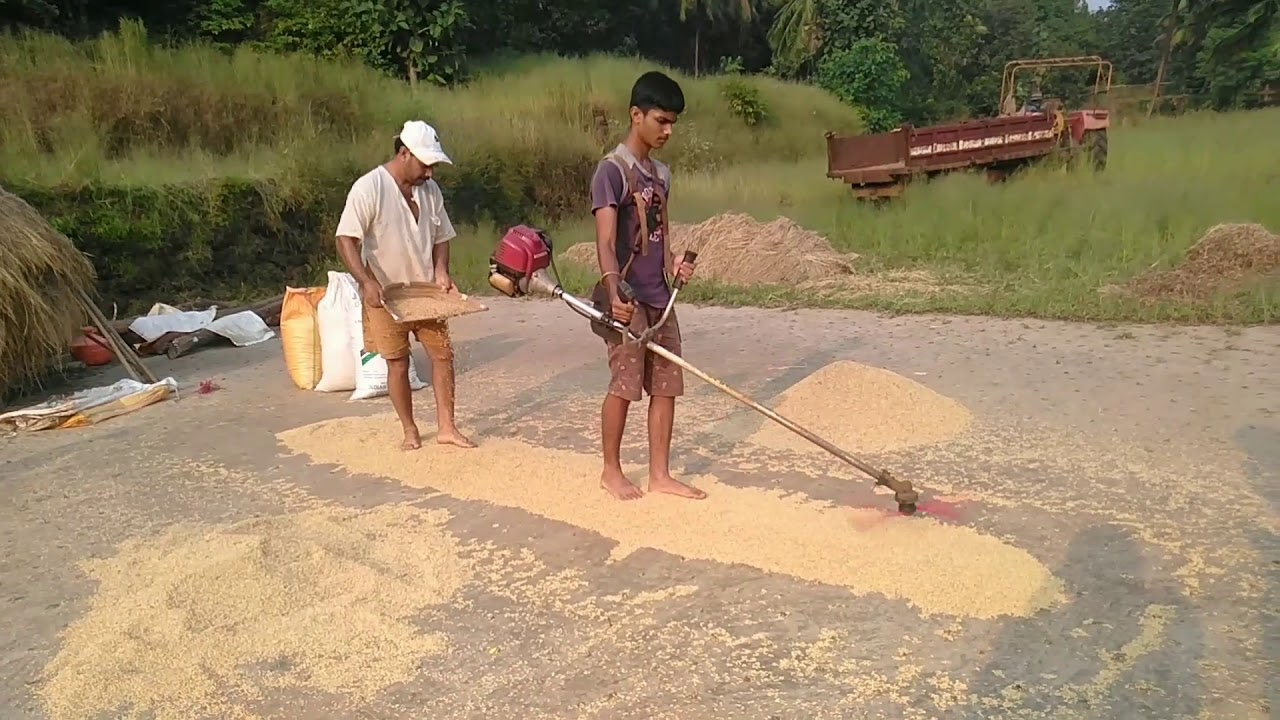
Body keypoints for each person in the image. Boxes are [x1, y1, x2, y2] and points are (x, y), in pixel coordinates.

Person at [590, 71, 702, 501]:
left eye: (673, 123)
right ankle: (610, 470)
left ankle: (660, 474)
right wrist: (615, 291)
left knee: (666, 386)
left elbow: (660, 232)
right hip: (629, 298)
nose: (668, 130)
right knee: (624, 384)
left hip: (661, 295)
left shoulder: (661, 175)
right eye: (661, 120)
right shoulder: (612, 171)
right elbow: (604, 240)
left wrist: (673, 263)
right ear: (636, 115)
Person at [335, 120, 475, 451]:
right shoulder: (369, 188)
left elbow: (442, 237)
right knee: (397, 362)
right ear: (404, 154)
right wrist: (366, 281)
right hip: (385, 294)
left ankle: (446, 427)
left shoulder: (431, 192)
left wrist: (441, 270)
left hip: (425, 293)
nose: (430, 173)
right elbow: (346, 239)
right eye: (426, 165)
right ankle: (410, 429)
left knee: (443, 356)